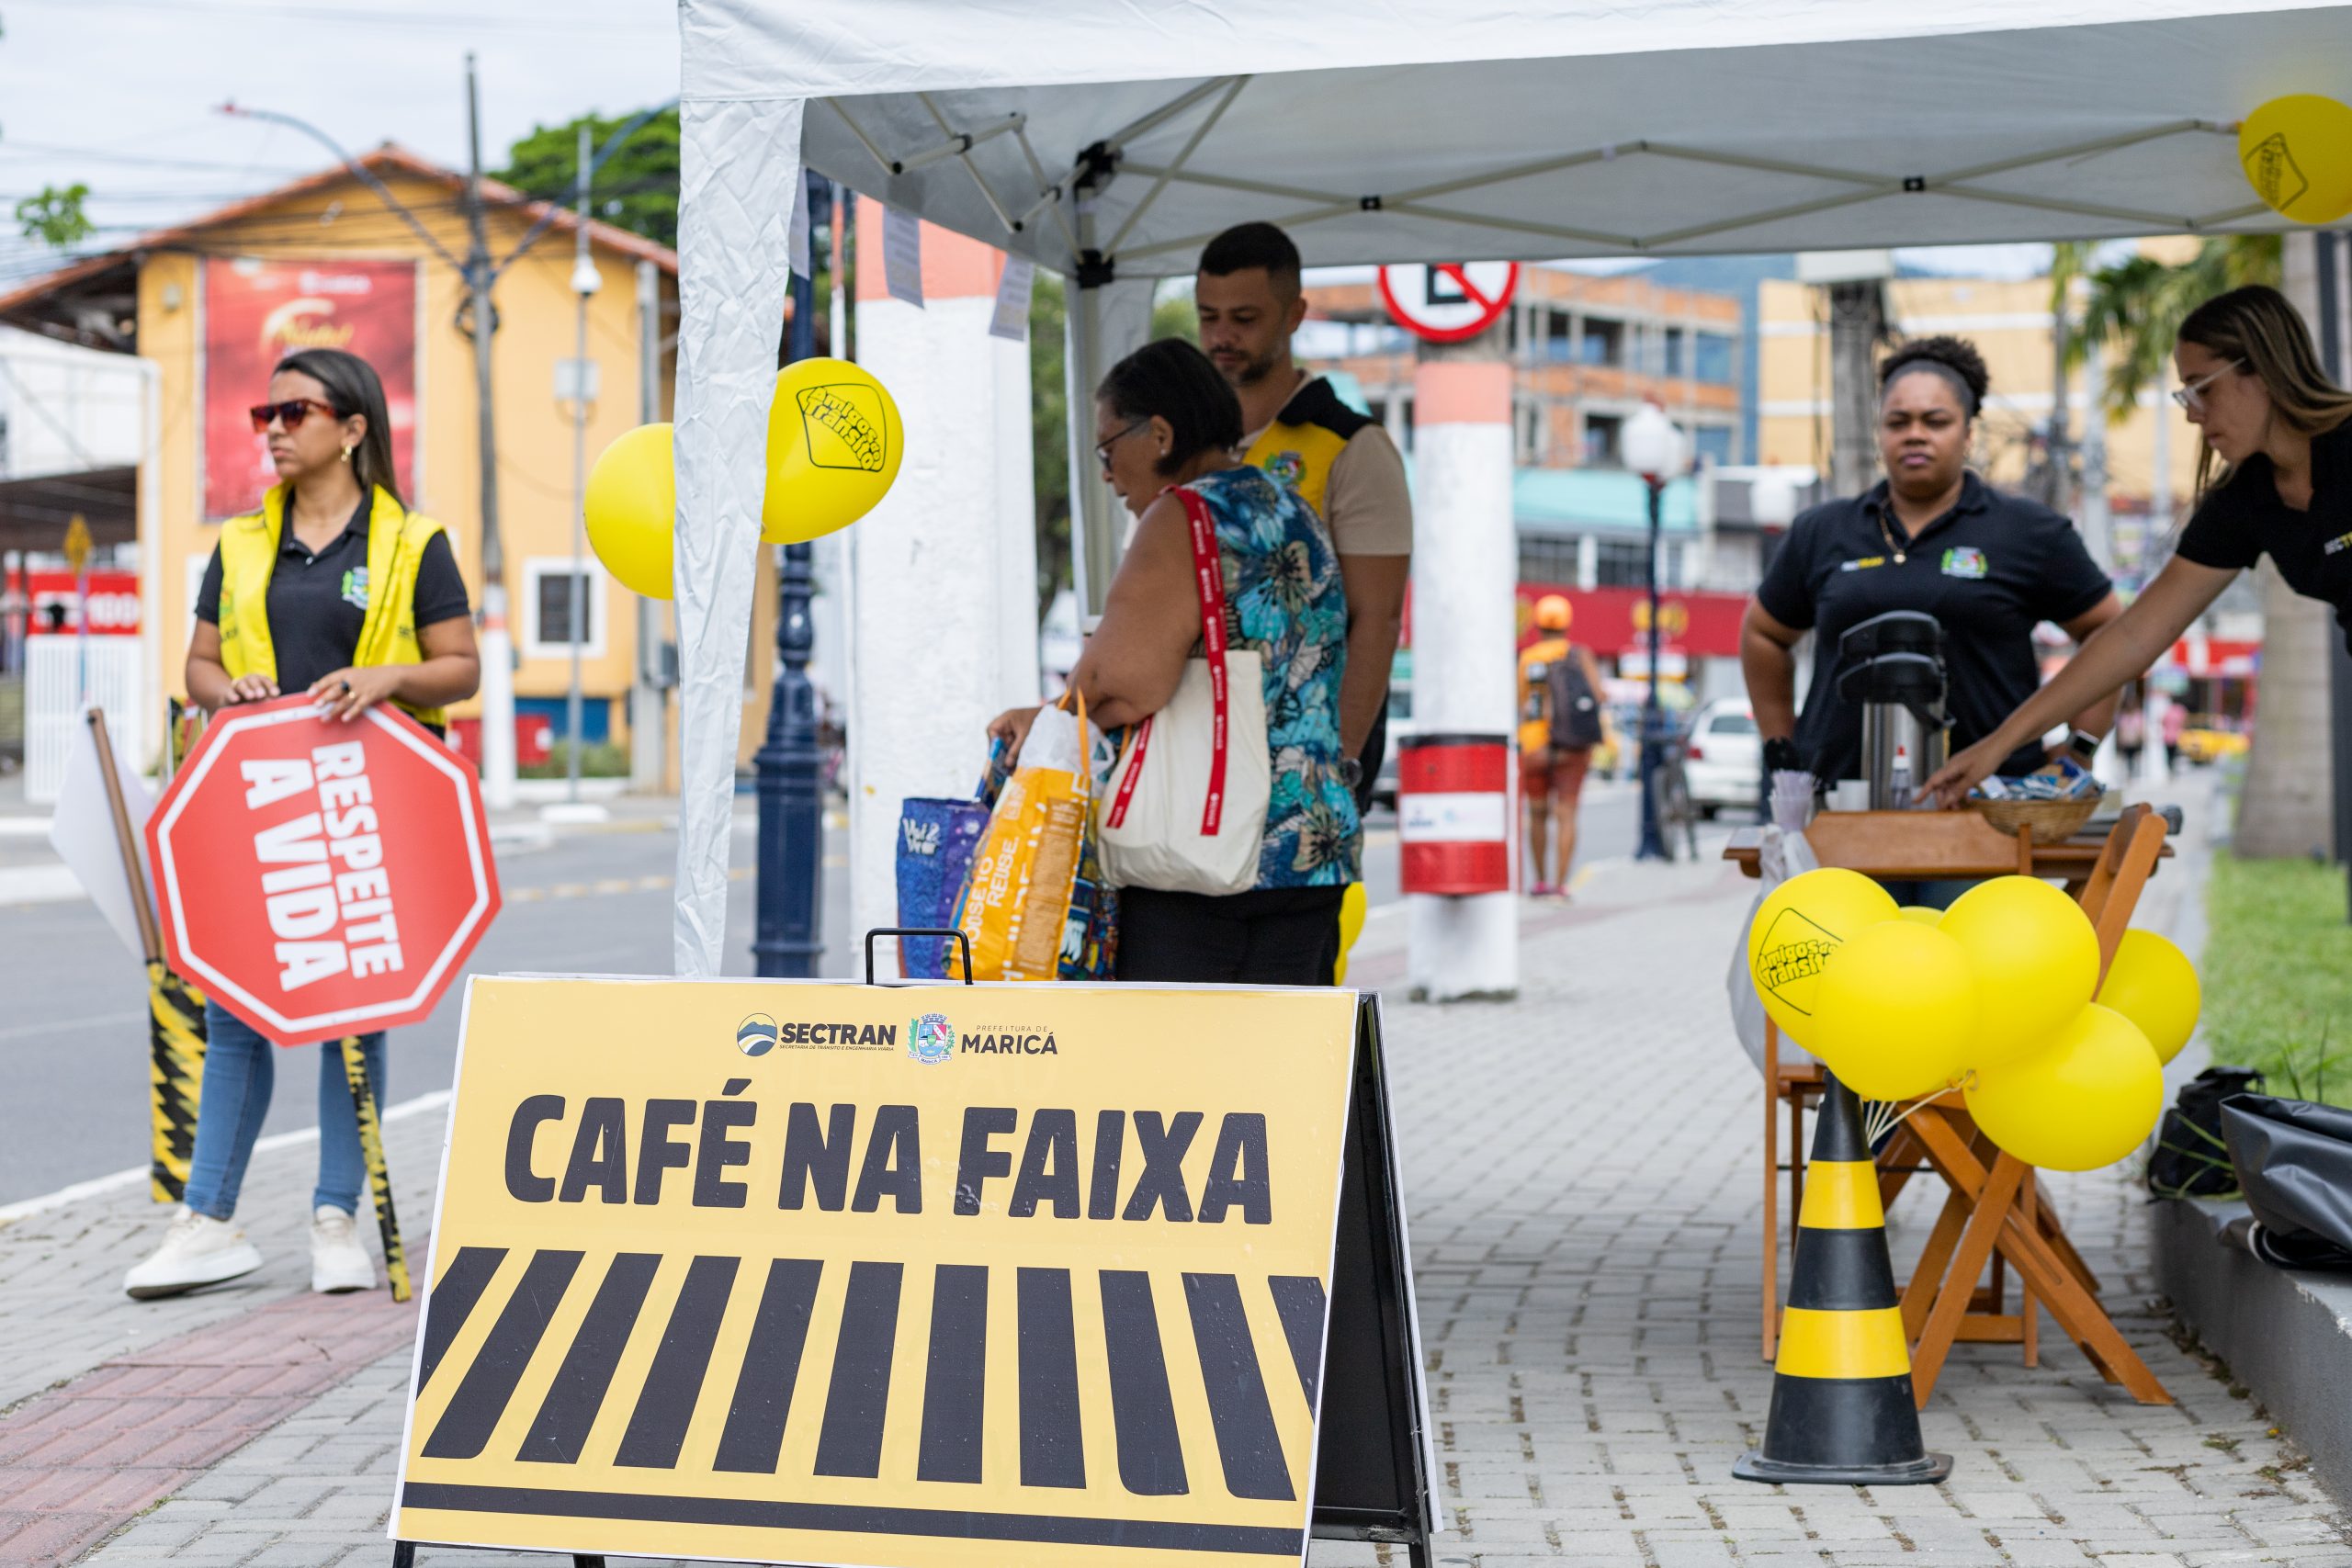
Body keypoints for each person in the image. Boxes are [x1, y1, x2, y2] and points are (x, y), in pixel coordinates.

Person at [124, 347, 480, 1300]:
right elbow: (195, 667)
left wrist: (388, 678)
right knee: (237, 1013)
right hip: (262, 811)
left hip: (369, 812)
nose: (273, 429)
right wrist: (224, 690)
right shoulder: (241, 544)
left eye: (294, 413)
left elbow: (461, 668)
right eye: (264, 415)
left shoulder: (412, 545)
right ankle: (207, 1222)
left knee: (352, 1020)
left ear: (353, 429)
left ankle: (335, 1223)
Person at [988, 339, 1359, 984]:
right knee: (1287, 1073)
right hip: (1313, 847)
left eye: (1108, 449)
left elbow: (1120, 684)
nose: (1107, 472)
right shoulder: (1292, 507)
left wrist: (1044, 717)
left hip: (1207, 853)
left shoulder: (1183, 514)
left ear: (1159, 434)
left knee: (1182, 1078)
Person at [1927, 286, 2352, 805]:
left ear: (2259, 368)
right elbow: (2134, 634)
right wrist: (1998, 745)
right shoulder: (2246, 497)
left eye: (2202, 389)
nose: (2193, 414)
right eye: (2185, 395)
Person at [1744, 336, 2122, 902]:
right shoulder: (1823, 531)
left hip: (1985, 818)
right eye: (1898, 421)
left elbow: (2111, 634)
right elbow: (1764, 633)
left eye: (1935, 420)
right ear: (1881, 434)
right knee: (1849, 984)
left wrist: (2080, 750)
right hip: (1841, 813)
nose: (1915, 433)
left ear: (1969, 433)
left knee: (1969, 982)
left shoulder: (2027, 532)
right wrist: (1782, 745)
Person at [1196, 222, 1411, 819]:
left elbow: (1378, 618)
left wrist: (1333, 764)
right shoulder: (1186, 445)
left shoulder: (1352, 445)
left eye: (1244, 318)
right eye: (1208, 316)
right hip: (1199, 757)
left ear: (1295, 314)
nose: (1222, 336)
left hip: (1305, 768)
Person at [1518, 593, 1610, 897]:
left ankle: (1540, 881)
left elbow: (1522, 701)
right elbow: (1598, 694)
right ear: (1567, 623)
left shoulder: (1528, 658)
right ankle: (1560, 885)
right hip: (1573, 745)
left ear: (1538, 624)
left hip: (1534, 745)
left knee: (1538, 814)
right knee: (1567, 813)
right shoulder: (1579, 654)